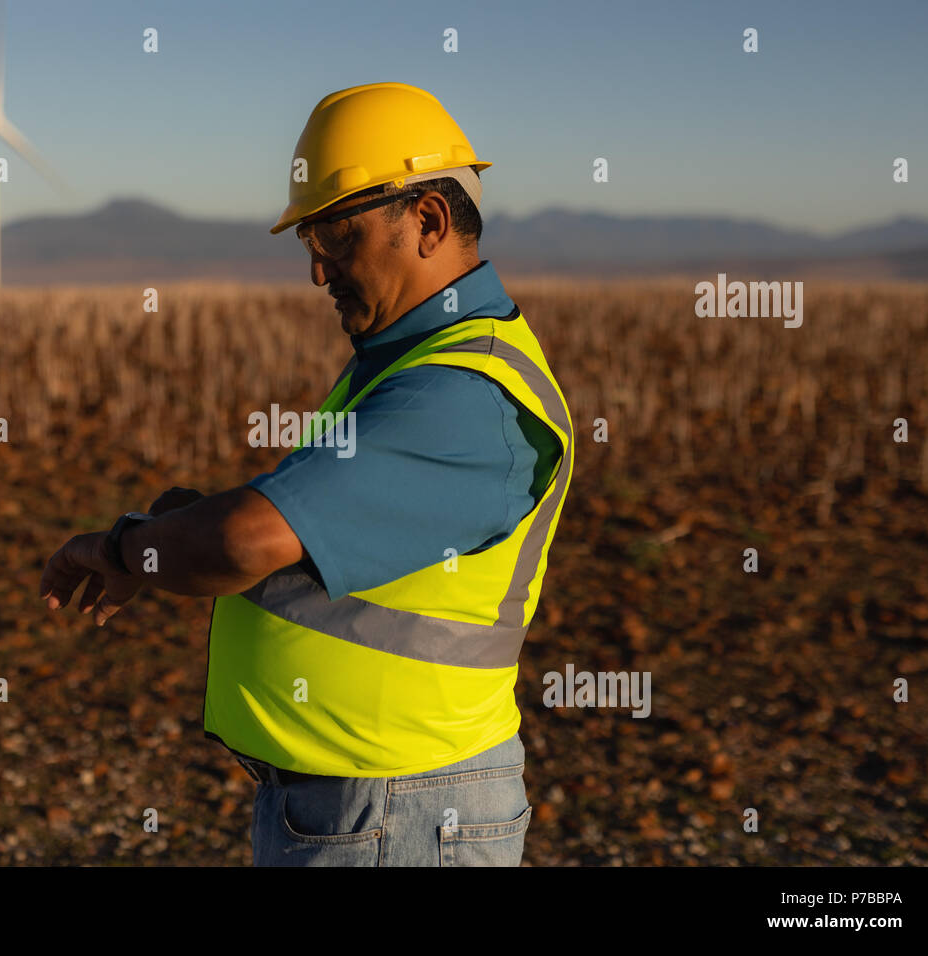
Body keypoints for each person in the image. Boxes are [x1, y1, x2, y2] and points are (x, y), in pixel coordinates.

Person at [40, 82, 574, 866]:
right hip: (373, 804)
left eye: (338, 239)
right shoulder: (409, 369)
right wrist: (174, 533)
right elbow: (315, 542)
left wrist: (125, 549)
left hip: (403, 811)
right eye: (310, 246)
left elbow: (250, 539)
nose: (319, 274)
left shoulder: (462, 396)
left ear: (427, 221)